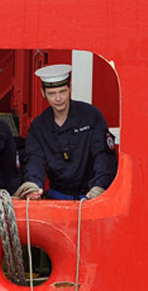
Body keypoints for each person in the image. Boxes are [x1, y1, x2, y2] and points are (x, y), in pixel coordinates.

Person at [15, 64, 117, 200]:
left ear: (70, 89)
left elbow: (103, 156)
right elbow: (35, 159)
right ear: (43, 93)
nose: (58, 98)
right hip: (57, 197)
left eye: (62, 91)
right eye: (52, 93)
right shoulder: (39, 127)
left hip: (90, 196)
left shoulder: (91, 116)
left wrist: (99, 187)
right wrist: (33, 185)